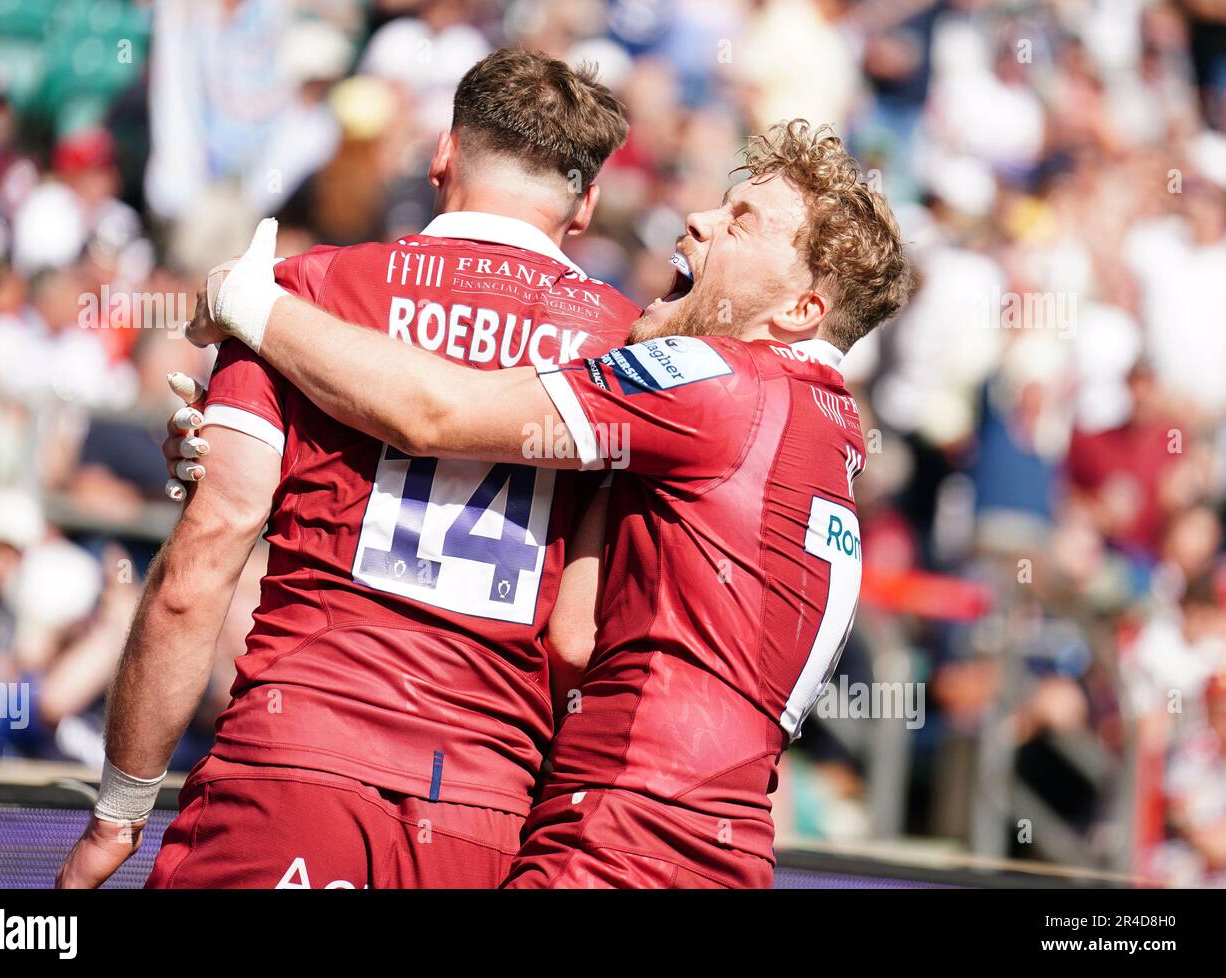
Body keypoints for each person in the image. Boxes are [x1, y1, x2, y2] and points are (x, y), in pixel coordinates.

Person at [177, 119, 914, 887]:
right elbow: (576, 636)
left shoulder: (719, 382)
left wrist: (252, 304)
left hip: (620, 846)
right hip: (725, 852)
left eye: (742, 222)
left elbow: (437, 415)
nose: (701, 219)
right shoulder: (825, 433)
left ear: (800, 310)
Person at [56, 48, 636, 889]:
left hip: (295, 763)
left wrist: (120, 805)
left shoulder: (303, 295)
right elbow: (586, 641)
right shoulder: (630, 357)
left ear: (443, 154)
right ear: (585, 204)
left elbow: (204, 560)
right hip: (482, 805)